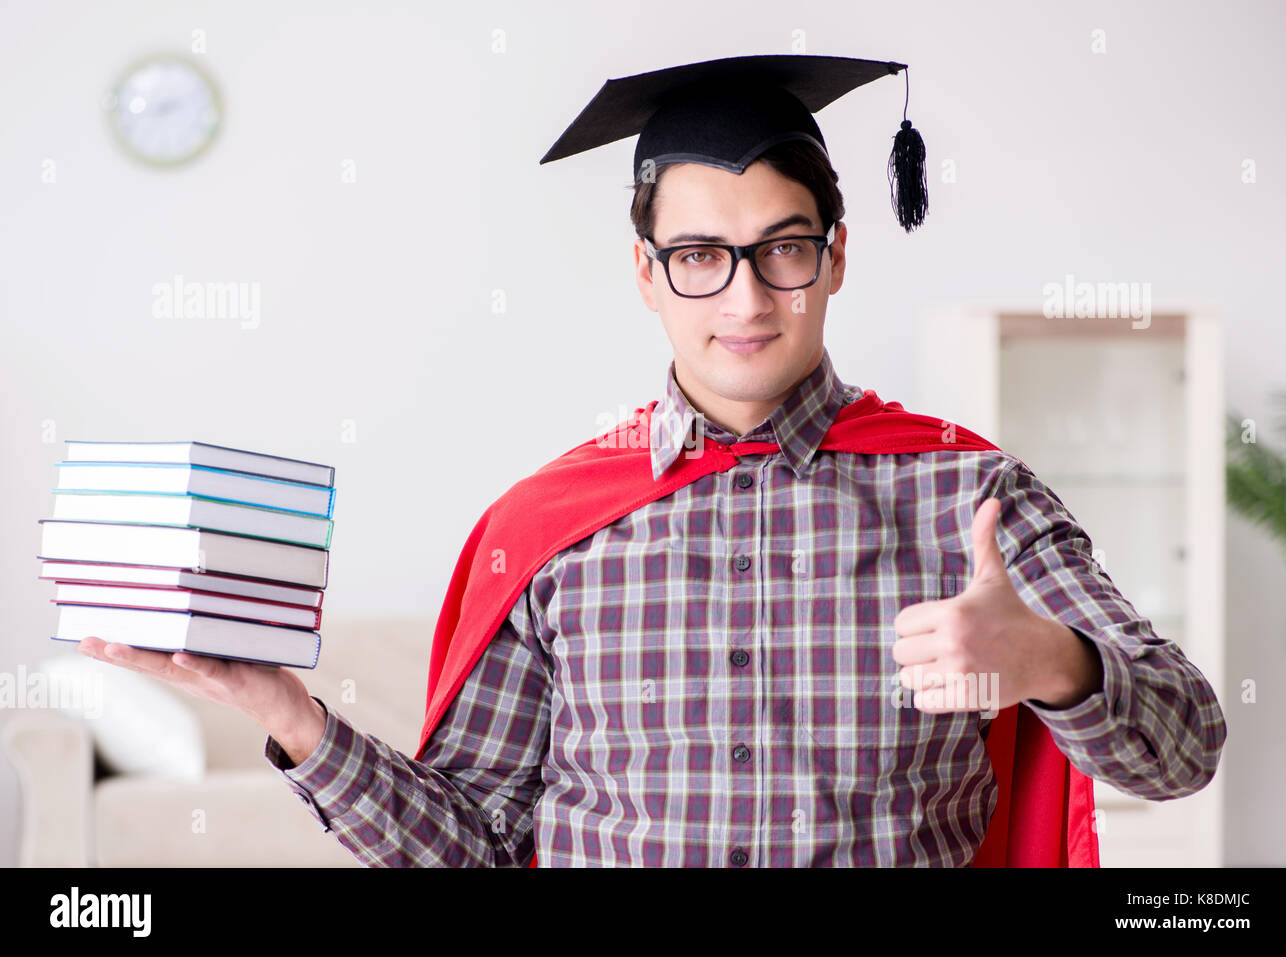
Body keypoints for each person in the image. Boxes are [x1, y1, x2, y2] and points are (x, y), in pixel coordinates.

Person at [77, 54, 1226, 867]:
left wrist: (1052, 660)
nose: (745, 299)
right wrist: (292, 717)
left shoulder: (967, 497)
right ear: (646, 272)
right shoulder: (546, 530)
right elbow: (474, 846)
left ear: (834, 256)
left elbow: (1185, 750)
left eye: (781, 250)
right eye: (698, 255)